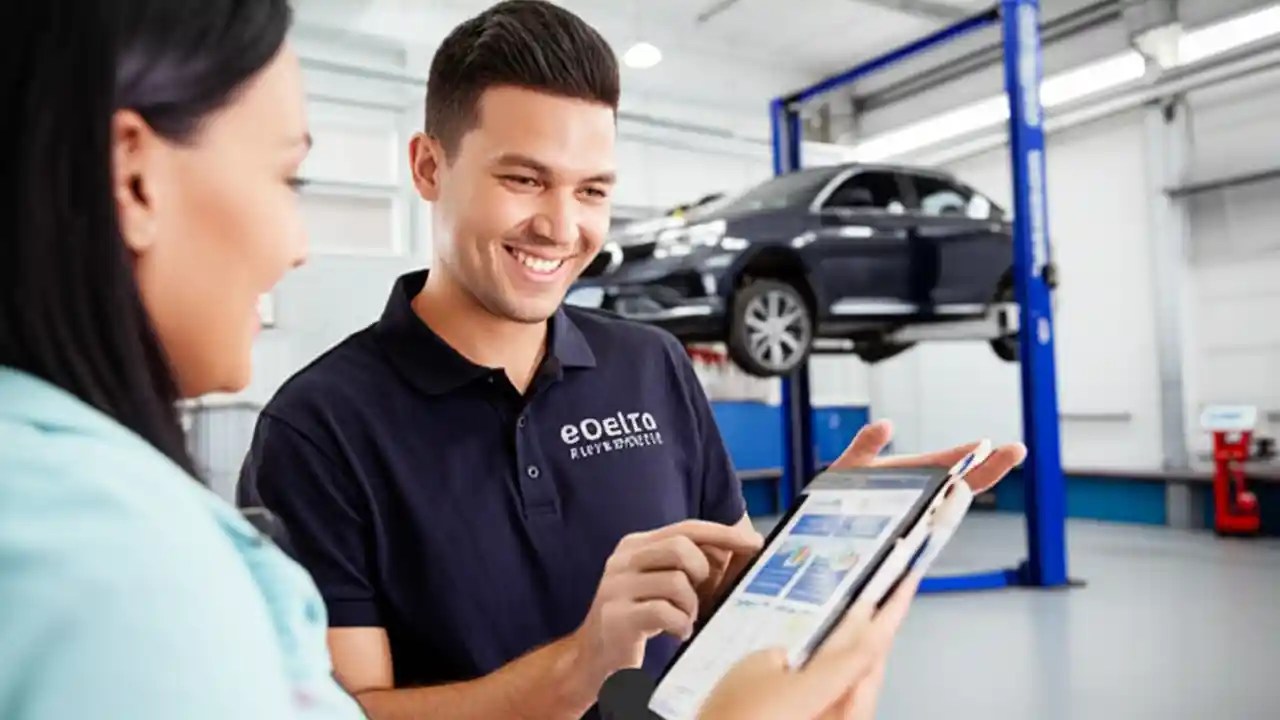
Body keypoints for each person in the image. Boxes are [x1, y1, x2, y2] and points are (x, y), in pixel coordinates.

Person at [0, 1, 1023, 719]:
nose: (562, 226)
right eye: (525, 179)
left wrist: (822, 563)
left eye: (591, 190)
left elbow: (726, 608)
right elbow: (348, 708)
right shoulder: (319, 425)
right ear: (428, 166)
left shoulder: (655, 369)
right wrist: (577, 667)